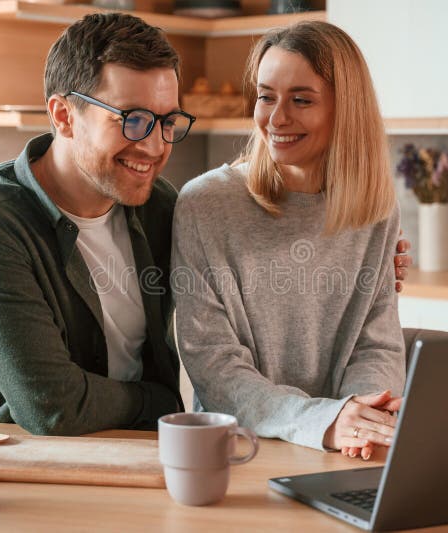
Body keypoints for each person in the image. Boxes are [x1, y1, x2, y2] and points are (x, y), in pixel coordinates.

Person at [0, 13, 411, 437]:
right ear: (63, 115)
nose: (156, 146)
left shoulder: (157, 205)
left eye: (167, 121)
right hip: (8, 464)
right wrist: (160, 402)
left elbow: (265, 277)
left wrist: (367, 265)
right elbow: (50, 405)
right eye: (134, 119)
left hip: (139, 451)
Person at [172, 20, 404, 459]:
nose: (276, 118)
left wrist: (362, 420)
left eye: (301, 100)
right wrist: (325, 420)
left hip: (346, 450)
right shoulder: (206, 204)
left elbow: (377, 342)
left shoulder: (377, 210)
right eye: (265, 96)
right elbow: (214, 365)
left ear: (345, 108)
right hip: (243, 450)